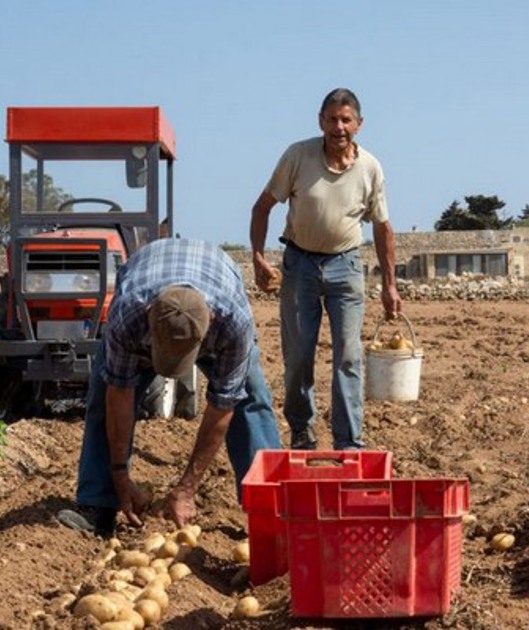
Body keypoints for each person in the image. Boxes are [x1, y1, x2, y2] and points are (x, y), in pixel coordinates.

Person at [57, 238, 282, 538]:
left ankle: (266, 511)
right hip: (148, 276)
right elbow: (119, 396)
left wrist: (187, 488)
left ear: (210, 322)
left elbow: (222, 407)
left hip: (217, 283)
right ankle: (98, 505)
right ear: (149, 312)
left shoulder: (233, 323)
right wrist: (120, 475)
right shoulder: (128, 313)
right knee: (102, 393)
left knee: (250, 400)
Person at [249, 87, 402, 451]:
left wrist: (390, 286)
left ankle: (348, 440)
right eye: (332, 119)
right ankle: (302, 430)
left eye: (346, 119)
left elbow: (382, 228)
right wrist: (257, 255)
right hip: (299, 264)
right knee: (299, 355)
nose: (339, 127)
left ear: (359, 125)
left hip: (346, 266)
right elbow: (262, 206)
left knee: (348, 354)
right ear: (320, 121)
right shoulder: (298, 156)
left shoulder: (370, 168)